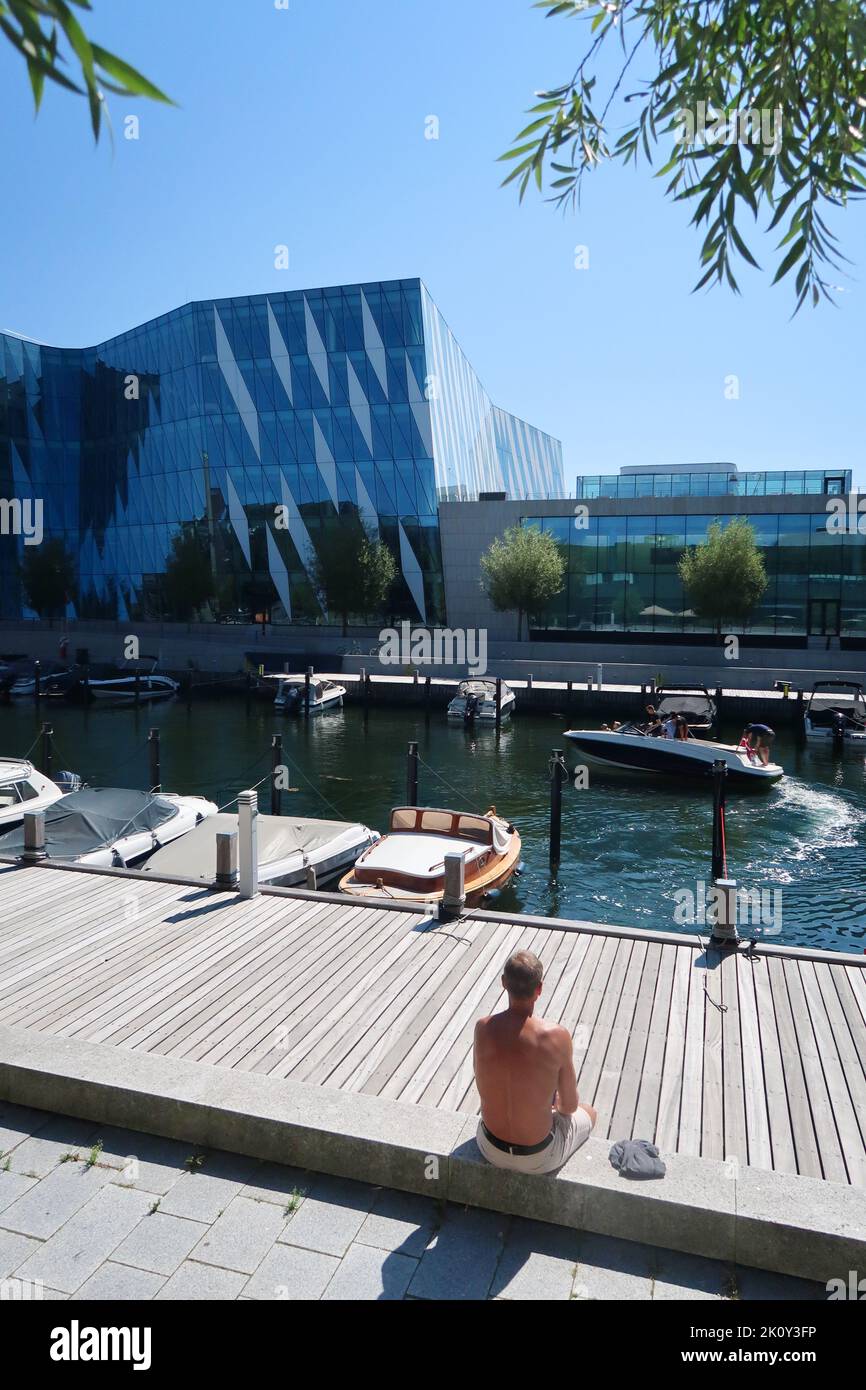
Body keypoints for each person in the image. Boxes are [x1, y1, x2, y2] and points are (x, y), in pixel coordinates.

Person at [473, 951, 597, 1174]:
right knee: (589, 1111)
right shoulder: (557, 1036)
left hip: (489, 1146)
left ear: (503, 983)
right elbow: (568, 1107)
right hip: (537, 1158)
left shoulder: (482, 1028)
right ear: (539, 989)